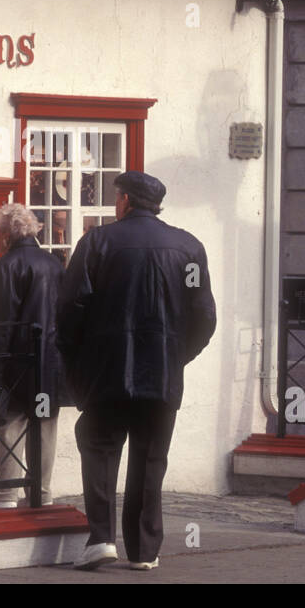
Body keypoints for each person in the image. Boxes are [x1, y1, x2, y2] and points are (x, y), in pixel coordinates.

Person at [57, 171, 216, 570]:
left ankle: (101, 539)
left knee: (98, 448)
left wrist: (79, 362)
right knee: (149, 460)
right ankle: (145, 551)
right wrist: (176, 356)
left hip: (106, 372)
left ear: (125, 200)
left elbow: (70, 309)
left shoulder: (97, 242)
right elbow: (204, 317)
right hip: (162, 375)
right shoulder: (188, 247)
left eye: (117, 197)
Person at [0, 203, 67, 508]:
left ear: (6, 233)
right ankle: (40, 493)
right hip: (49, 363)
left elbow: (0, 324)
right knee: (44, 424)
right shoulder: (54, 263)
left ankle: (6, 493)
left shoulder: (7, 266)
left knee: (11, 424)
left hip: (17, 363)